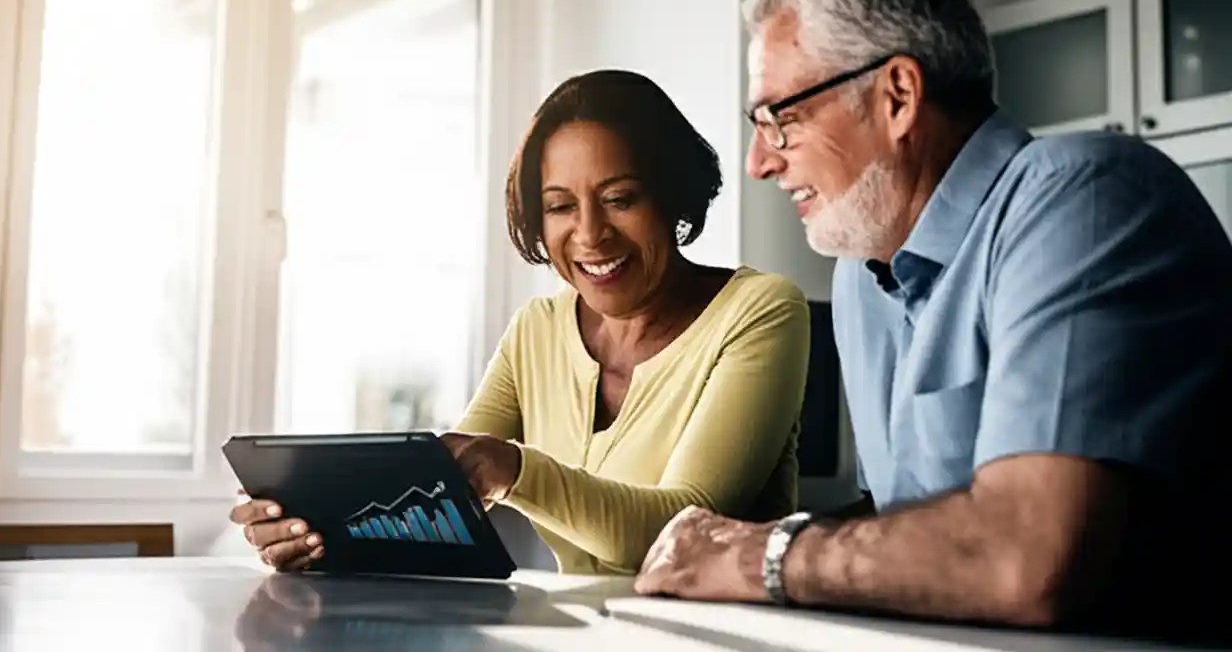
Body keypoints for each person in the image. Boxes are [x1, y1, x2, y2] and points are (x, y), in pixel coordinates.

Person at [635, 0, 1232, 638]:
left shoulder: (1086, 196)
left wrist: (760, 558)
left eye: (780, 119)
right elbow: (908, 524)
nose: (760, 161)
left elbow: (1028, 554)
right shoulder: (860, 277)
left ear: (896, 97)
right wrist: (736, 544)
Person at [230, 70, 813, 575]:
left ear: (674, 196)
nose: (589, 234)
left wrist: (514, 469)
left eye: (620, 198)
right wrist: (314, 529)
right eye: (560, 206)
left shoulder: (760, 310)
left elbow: (685, 532)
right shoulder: (538, 329)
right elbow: (448, 493)